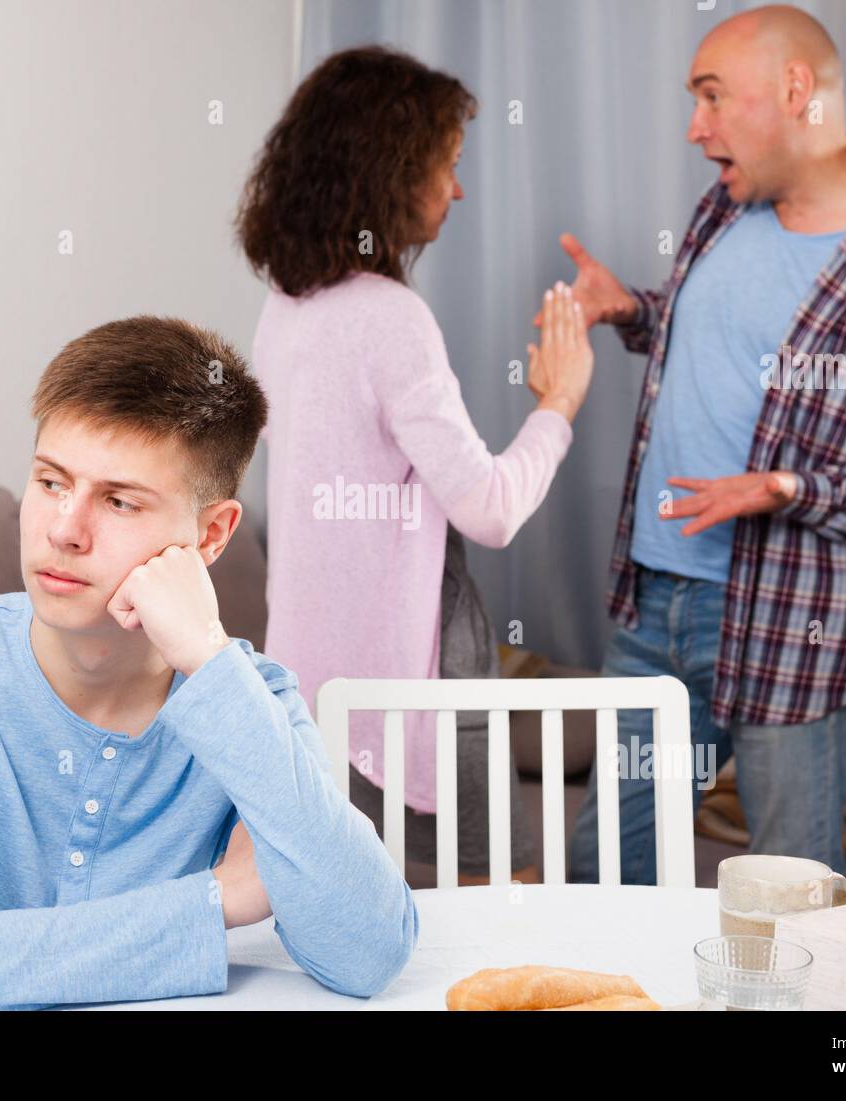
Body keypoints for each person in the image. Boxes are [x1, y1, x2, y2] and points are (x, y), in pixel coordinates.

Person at [0, 316, 418, 1009]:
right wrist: (217, 900)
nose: (63, 530)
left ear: (210, 534)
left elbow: (370, 950)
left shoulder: (244, 696)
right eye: (51, 482)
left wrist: (205, 652)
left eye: (117, 500)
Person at [558, 5, 846, 884]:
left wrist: (787, 488)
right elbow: (715, 342)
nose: (694, 127)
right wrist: (629, 309)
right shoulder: (728, 202)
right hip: (653, 600)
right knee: (605, 870)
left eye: (712, 97)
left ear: (797, 91)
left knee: (786, 892)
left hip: (793, 625)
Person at [238, 45, 594, 885]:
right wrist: (560, 401)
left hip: (310, 669)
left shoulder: (285, 309)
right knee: (499, 890)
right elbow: (490, 510)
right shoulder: (392, 318)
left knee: (345, 893)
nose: (458, 190)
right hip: (418, 654)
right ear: (391, 174)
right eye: (450, 167)